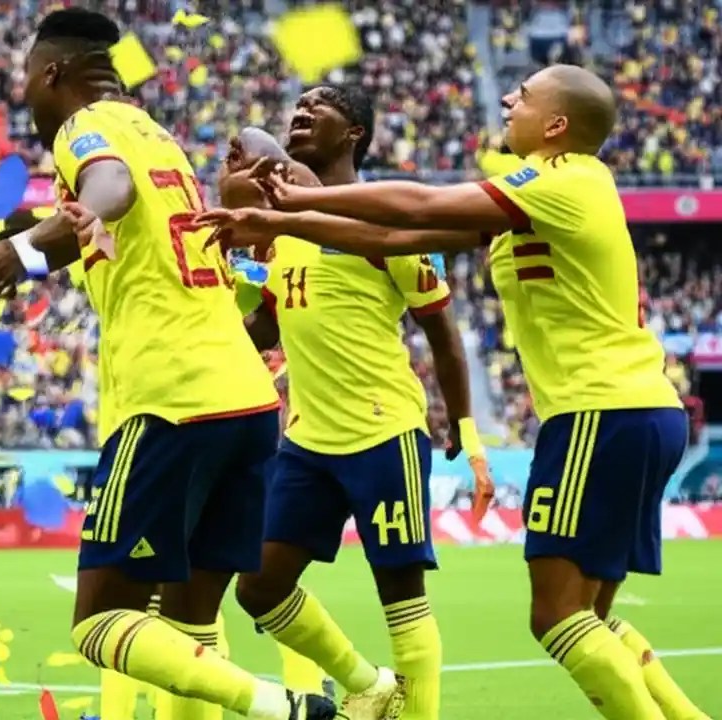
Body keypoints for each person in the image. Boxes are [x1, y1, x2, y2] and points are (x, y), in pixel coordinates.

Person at [195, 64, 700, 720]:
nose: (508, 99)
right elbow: (397, 235)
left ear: (556, 125)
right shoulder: (546, 192)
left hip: (599, 410)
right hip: (629, 408)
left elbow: (421, 211)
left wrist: (292, 205)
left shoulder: (562, 180)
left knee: (557, 617)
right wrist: (288, 216)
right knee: (590, 617)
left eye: (524, 95)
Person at [0, 8, 333, 720]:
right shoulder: (157, 135)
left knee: (99, 623)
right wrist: (47, 246)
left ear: (53, 73)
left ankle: (282, 707)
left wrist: (20, 251)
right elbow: (124, 216)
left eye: (28, 78)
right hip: (246, 404)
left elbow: (110, 187)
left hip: (171, 401)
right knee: (189, 626)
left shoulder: (84, 128)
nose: (25, 93)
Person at [214, 85, 491, 720]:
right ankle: (368, 684)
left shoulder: (384, 227)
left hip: (382, 433)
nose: (302, 110)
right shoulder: (283, 231)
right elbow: (269, 325)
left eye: (322, 105)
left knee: (402, 599)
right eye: (299, 105)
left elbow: (443, 335)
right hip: (307, 442)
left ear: (354, 133)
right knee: (258, 588)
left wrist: (467, 432)